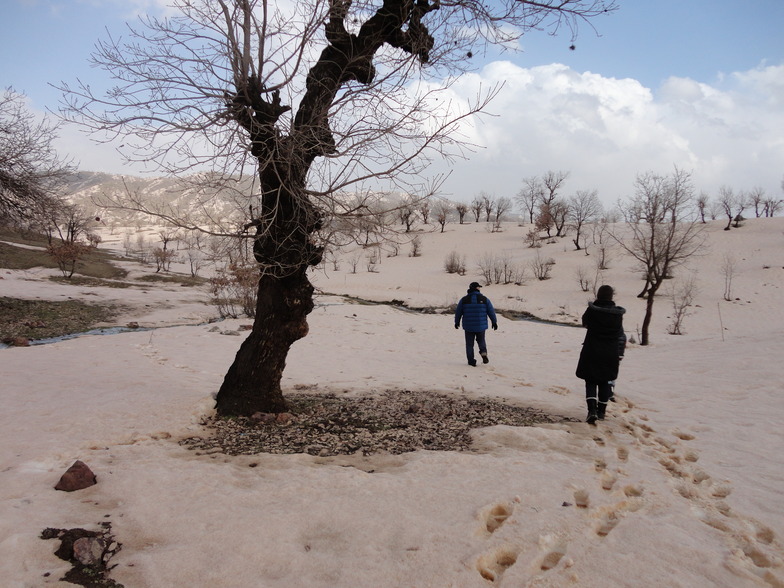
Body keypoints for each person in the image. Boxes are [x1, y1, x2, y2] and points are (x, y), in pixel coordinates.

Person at [575, 285, 625, 424]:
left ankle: (592, 411)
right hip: (610, 352)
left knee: (590, 379)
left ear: (598, 295)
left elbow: (585, 323)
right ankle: (602, 412)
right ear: (611, 296)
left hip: (592, 350)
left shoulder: (592, 310)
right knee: (605, 380)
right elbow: (619, 332)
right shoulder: (617, 314)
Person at [455, 281, 497, 366]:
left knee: (469, 344)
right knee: (481, 340)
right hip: (481, 326)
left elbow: (458, 312)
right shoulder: (485, 299)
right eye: (478, 287)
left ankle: (471, 361)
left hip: (468, 326)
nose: (479, 289)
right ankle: (483, 352)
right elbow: (491, 311)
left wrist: (457, 322)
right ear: (475, 288)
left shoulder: (464, 300)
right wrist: (494, 322)